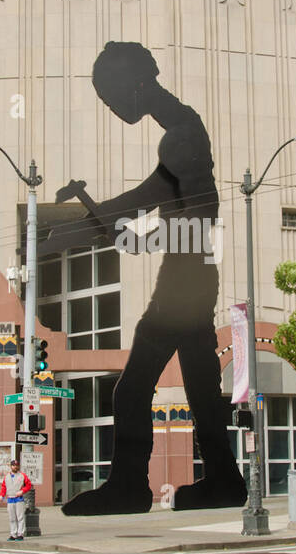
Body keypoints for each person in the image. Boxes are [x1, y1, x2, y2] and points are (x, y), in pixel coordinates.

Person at [50, 42, 246, 516]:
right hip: (195, 270)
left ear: (137, 84)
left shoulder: (180, 133)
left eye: (113, 97)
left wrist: (74, 228)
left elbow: (146, 197)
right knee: (200, 382)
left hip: (184, 277)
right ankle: (224, 479)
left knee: (132, 387)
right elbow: (163, 207)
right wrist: (94, 224)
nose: (113, 108)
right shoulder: (183, 125)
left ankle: (128, 486)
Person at [0, 459, 33, 542]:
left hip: (19, 499)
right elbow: (4, 487)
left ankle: (20, 534)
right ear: (11, 466)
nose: (15, 467)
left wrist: (22, 491)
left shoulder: (22, 476)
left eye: (16, 465)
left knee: (20, 517)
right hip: (10, 499)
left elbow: (28, 485)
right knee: (12, 518)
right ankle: (13, 534)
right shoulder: (7, 477)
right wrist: (1, 495)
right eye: (14, 465)